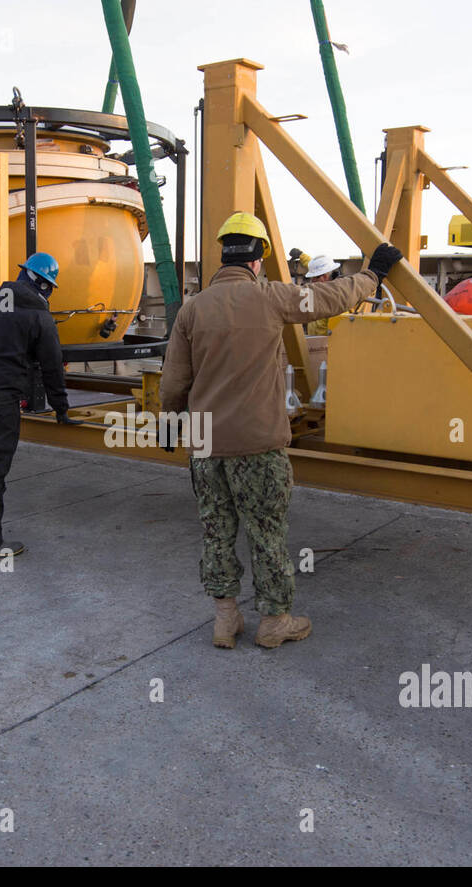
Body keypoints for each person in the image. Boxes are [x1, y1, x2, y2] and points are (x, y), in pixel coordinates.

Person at [160, 211, 402, 649]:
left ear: (223, 256)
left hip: (205, 444)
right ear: (258, 260)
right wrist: (374, 274)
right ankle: (274, 621)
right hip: (257, 446)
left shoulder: (192, 310)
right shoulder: (272, 298)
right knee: (266, 531)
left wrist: (169, 425)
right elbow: (331, 298)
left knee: (216, 529)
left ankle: (224, 619)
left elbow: (174, 382)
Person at [0, 252, 77, 560]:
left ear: (22, 275)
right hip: (0, 398)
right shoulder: (40, 317)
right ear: (45, 286)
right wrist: (61, 409)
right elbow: (52, 367)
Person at [301, 254, 342, 334]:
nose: (312, 281)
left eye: (314, 278)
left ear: (325, 277)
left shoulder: (336, 300)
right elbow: (315, 266)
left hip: (325, 344)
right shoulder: (325, 289)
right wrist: (302, 256)